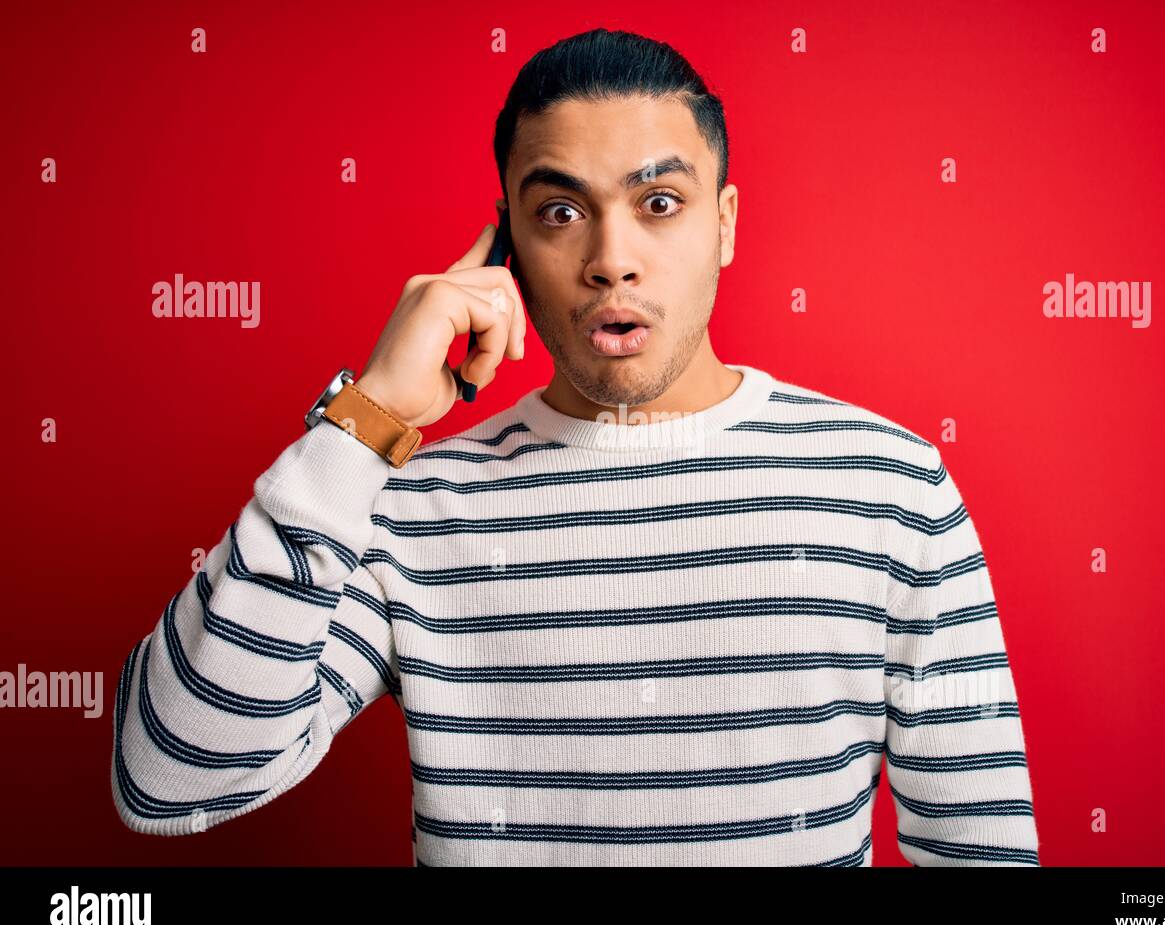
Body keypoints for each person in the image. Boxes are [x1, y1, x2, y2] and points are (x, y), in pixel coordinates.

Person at [111, 27, 1040, 866]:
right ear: (504, 250)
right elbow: (168, 777)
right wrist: (366, 419)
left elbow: (982, 850)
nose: (611, 258)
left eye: (660, 203)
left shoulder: (891, 485)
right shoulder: (408, 505)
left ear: (723, 225)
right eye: (559, 212)